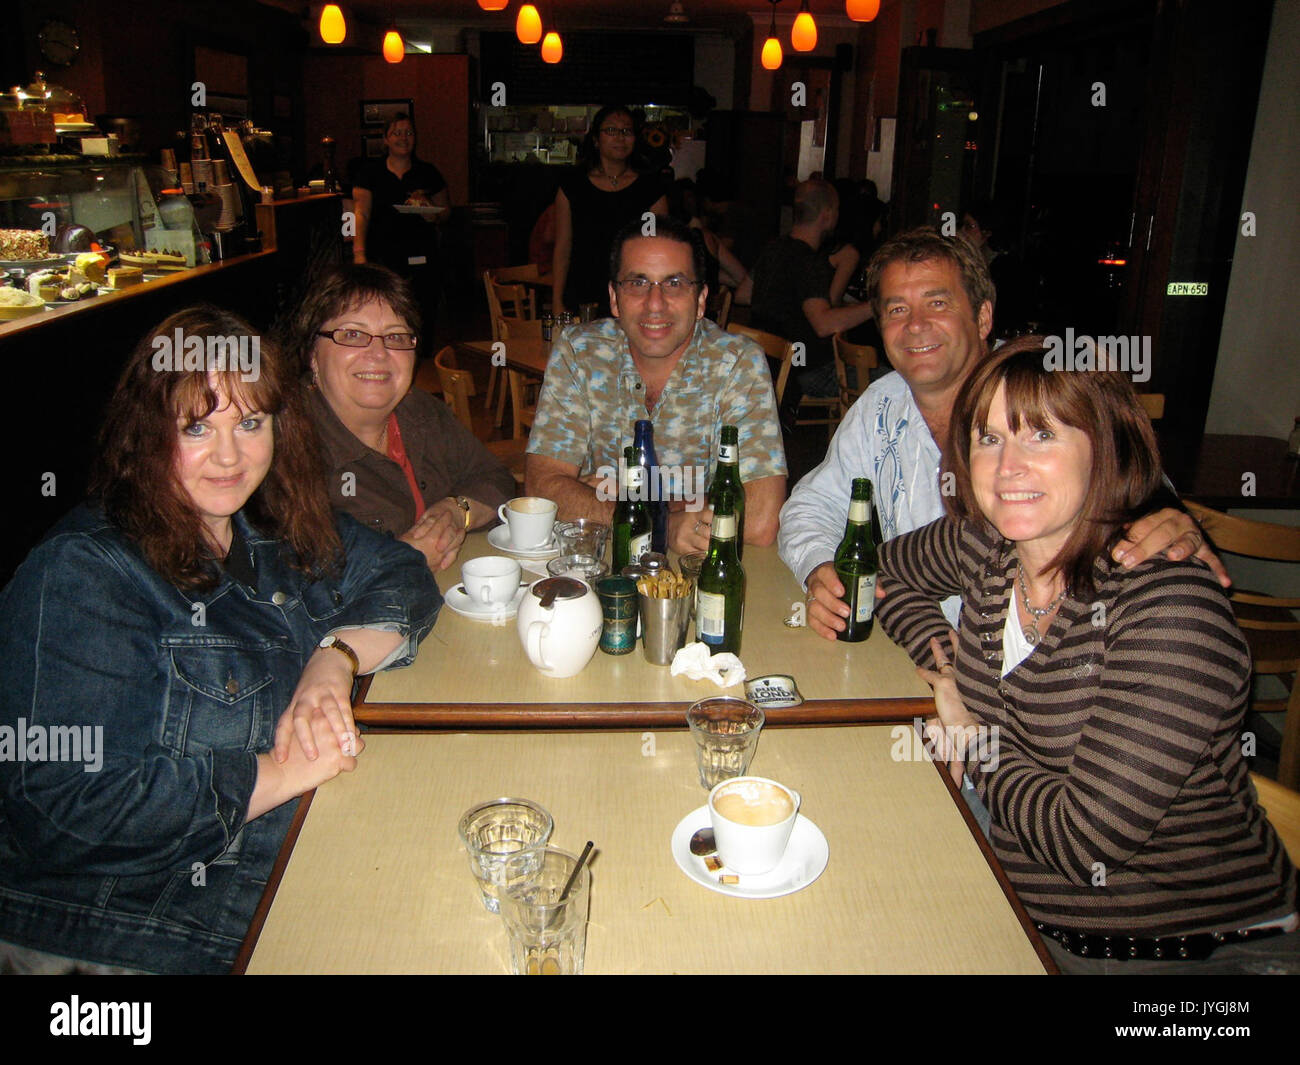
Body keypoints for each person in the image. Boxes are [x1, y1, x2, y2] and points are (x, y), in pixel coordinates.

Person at [0, 307, 440, 974]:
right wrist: (282, 771)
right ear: (147, 432)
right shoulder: (85, 573)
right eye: (198, 426)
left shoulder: (271, 532)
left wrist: (335, 658)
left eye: (251, 423)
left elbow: (403, 572)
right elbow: (63, 809)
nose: (231, 456)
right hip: (135, 930)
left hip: (289, 858)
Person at [875, 339, 1298, 974]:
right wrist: (947, 663)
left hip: (1190, 957)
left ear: (1106, 448)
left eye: (1040, 435)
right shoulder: (986, 546)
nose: (1006, 466)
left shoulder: (1169, 608)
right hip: (1025, 907)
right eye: (988, 439)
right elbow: (886, 575)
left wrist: (972, 736)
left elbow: (1082, 840)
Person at [778, 227, 1227, 640]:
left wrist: (1164, 514)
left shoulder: (1040, 389)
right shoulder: (881, 406)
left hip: (1052, 672)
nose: (915, 324)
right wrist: (821, 569)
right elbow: (813, 506)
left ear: (982, 317)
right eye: (897, 309)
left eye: (937, 303)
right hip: (930, 656)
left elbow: (1136, 489)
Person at [526, 214, 786, 555]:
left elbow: (762, 519)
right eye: (637, 283)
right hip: (599, 566)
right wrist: (667, 520)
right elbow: (541, 490)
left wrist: (622, 499)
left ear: (702, 300)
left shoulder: (738, 363)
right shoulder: (580, 351)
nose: (654, 303)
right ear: (614, 297)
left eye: (675, 283)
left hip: (698, 571)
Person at [277, 264, 516, 573]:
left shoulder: (418, 410)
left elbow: (496, 479)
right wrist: (401, 561)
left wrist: (458, 510)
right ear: (312, 354)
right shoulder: (283, 443)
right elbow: (291, 581)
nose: (378, 353)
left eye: (396, 337)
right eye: (352, 334)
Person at [750, 179, 875, 405]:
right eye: (837, 210)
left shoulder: (773, 248)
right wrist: (878, 304)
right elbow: (823, 324)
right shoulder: (809, 262)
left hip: (767, 364)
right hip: (804, 372)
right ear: (827, 215)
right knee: (893, 380)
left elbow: (742, 294)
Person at [551, 105, 669, 318]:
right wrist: (556, 300)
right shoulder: (573, 185)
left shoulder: (650, 188)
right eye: (611, 131)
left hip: (633, 293)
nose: (620, 137)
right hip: (583, 290)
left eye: (627, 131)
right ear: (596, 139)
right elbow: (563, 247)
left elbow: (656, 247)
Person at [351, 114, 449, 346]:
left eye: (409, 133)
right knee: (385, 309)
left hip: (423, 254)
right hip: (383, 255)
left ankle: (420, 359)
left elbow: (446, 211)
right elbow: (361, 213)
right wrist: (359, 253)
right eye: (397, 133)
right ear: (385, 139)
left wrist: (433, 214)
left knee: (423, 310)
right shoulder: (369, 173)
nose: (403, 138)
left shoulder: (428, 172)